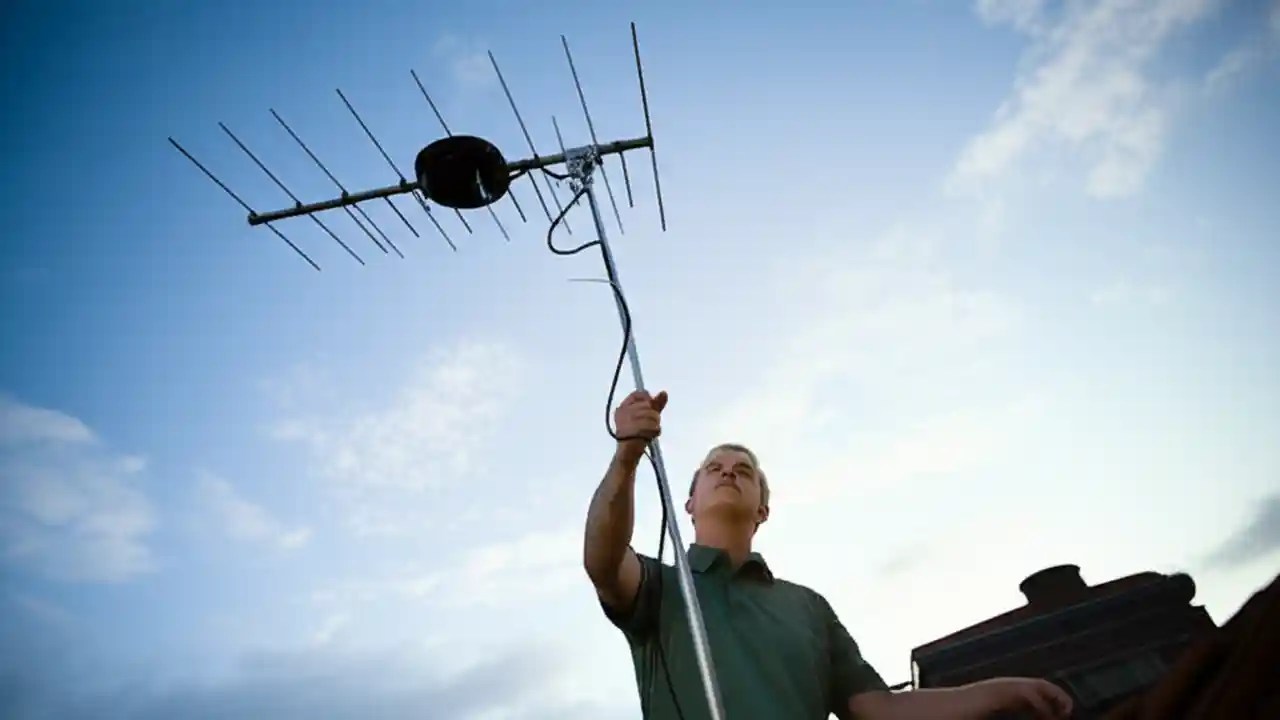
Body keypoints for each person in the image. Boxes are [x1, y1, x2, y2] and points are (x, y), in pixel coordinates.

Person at [583, 389, 1075, 720]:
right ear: (688, 503)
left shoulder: (807, 606)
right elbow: (603, 561)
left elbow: (879, 709)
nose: (729, 472)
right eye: (714, 467)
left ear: (764, 510)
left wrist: (998, 691)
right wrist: (628, 454)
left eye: (744, 470)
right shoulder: (663, 587)